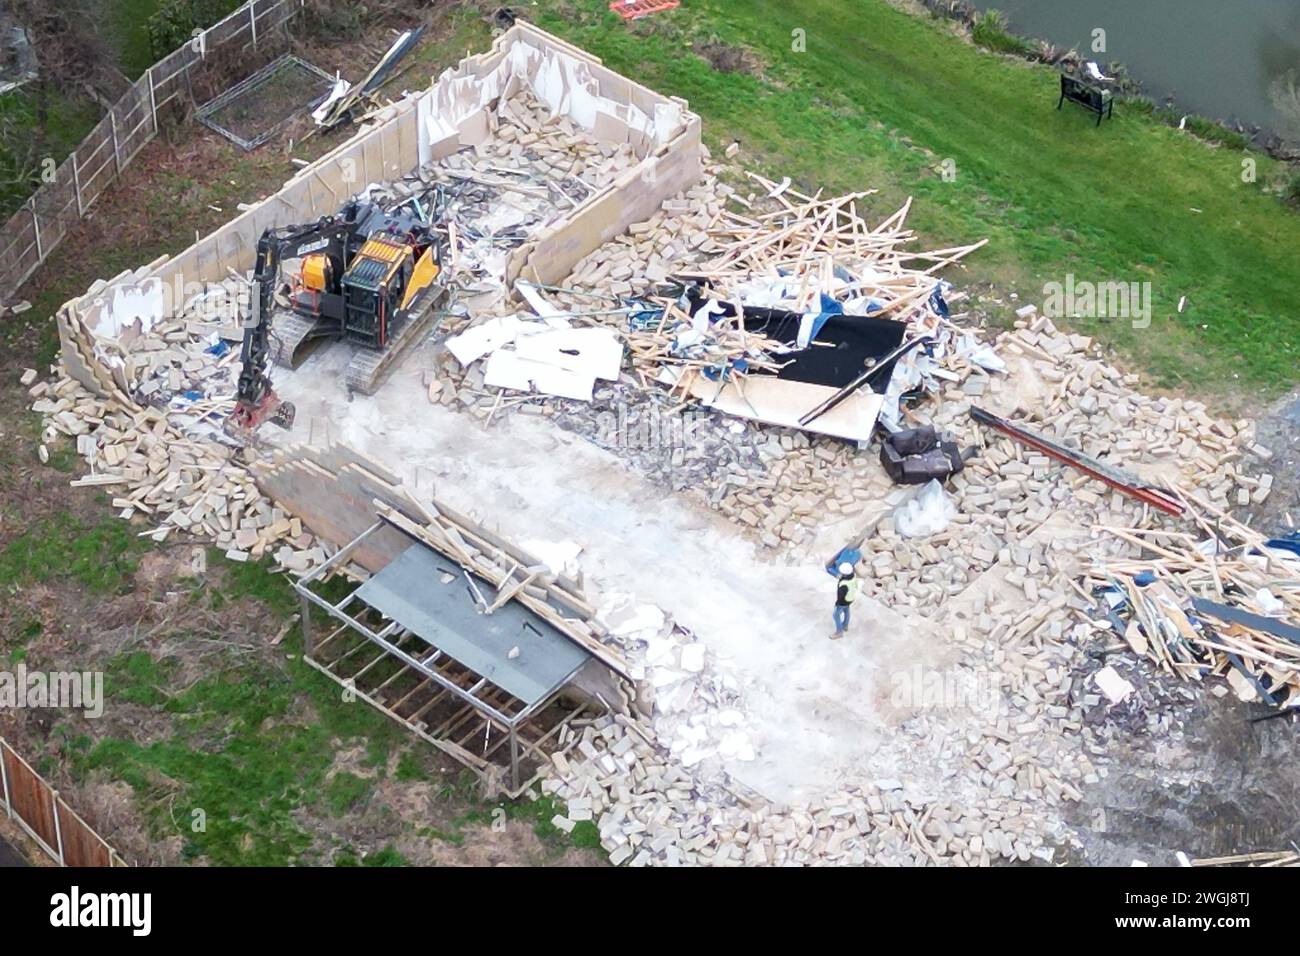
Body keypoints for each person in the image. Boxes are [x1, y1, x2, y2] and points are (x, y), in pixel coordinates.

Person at [831, 561, 858, 639]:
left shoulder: (844, 585)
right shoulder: (853, 576)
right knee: (847, 611)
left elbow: (840, 596)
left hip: (843, 601)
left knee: (836, 615)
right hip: (850, 598)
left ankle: (839, 632)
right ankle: (845, 625)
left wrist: (837, 603)